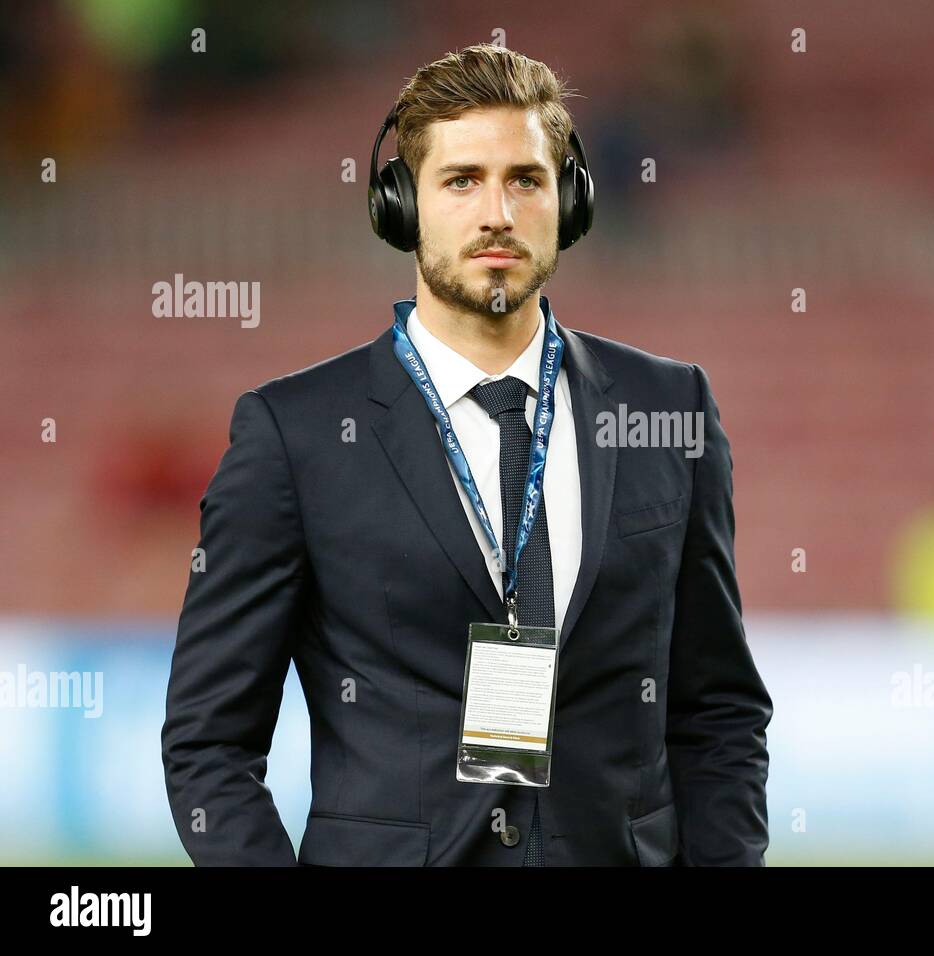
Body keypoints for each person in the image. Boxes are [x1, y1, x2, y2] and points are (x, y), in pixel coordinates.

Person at [160, 43, 772, 866]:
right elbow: (209, 743)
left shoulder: (667, 408)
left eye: (526, 179)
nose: (498, 212)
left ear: (572, 201)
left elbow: (719, 712)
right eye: (462, 180)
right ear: (400, 205)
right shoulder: (292, 434)